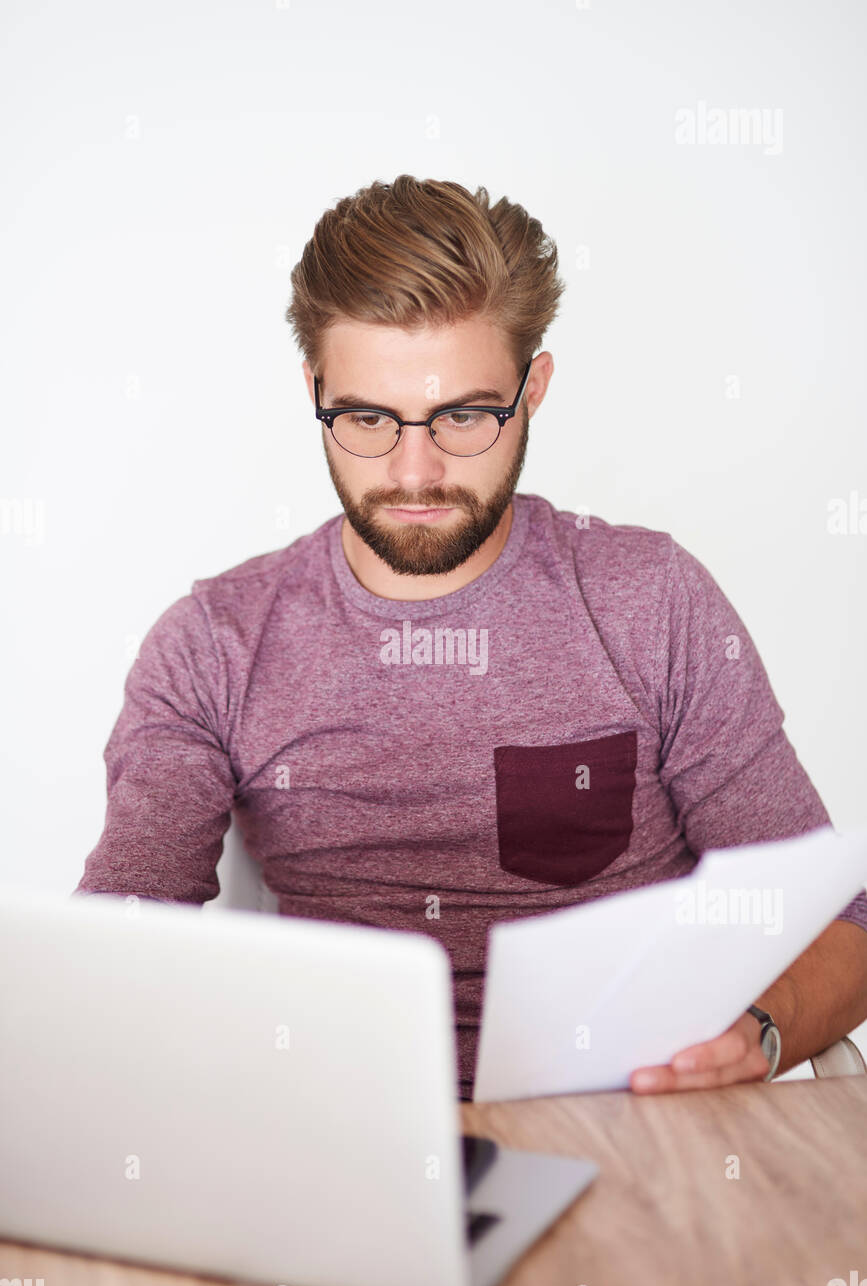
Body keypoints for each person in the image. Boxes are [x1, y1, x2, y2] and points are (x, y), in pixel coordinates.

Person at [76, 174, 867, 1100]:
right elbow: (117, 950)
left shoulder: (651, 601)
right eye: (366, 417)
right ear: (314, 390)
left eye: (463, 415)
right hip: (341, 1136)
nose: (415, 471)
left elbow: (838, 917)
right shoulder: (212, 644)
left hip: (632, 1122)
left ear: (533, 387)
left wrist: (758, 1039)